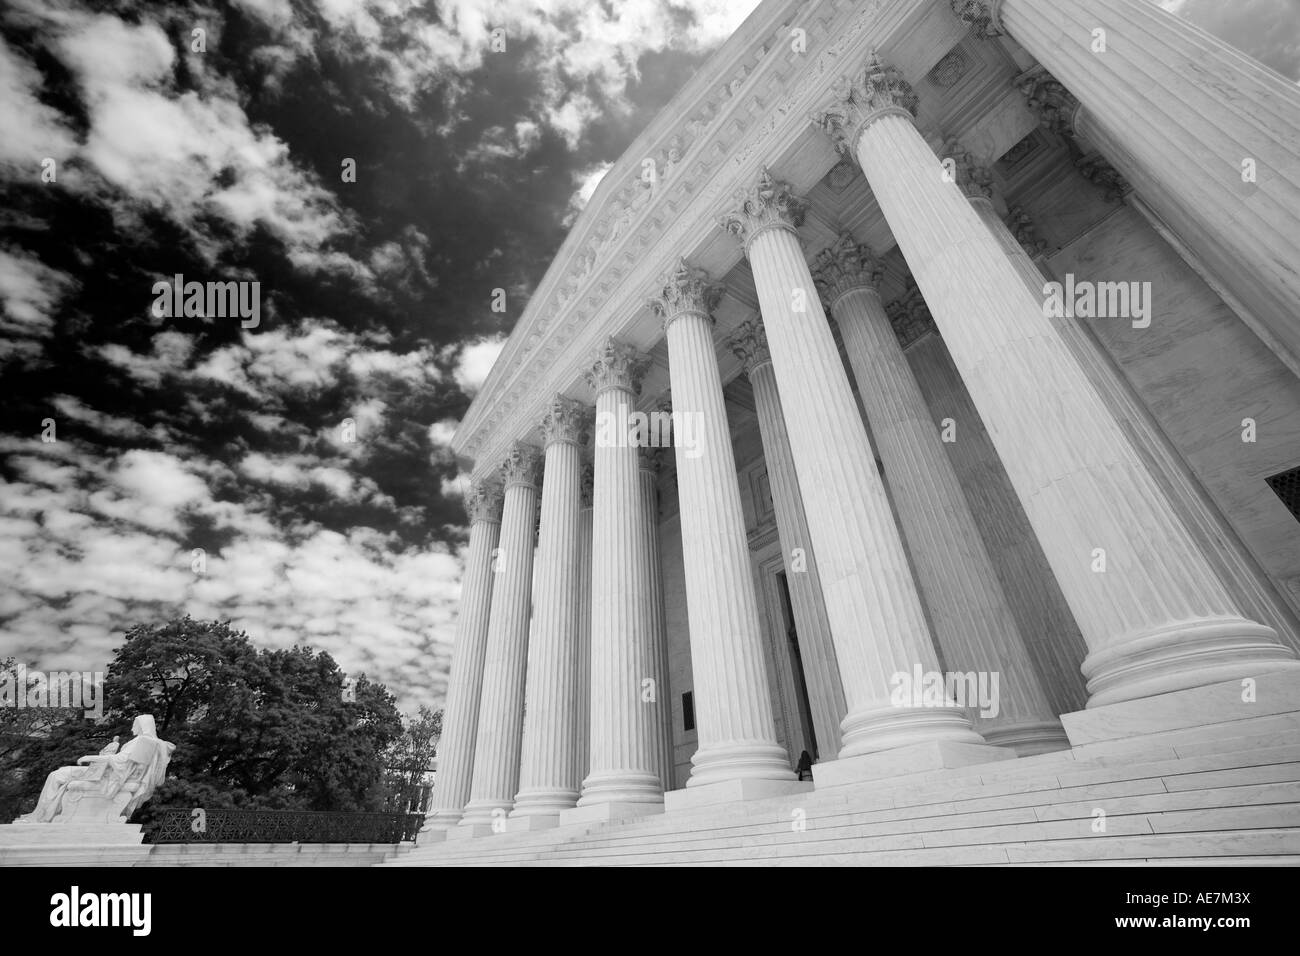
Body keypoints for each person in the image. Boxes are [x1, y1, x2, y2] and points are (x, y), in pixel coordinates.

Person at [15, 714, 175, 823]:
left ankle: (43, 816)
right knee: (58, 774)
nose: (132, 728)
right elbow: (123, 762)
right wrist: (105, 755)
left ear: (141, 725)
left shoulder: (144, 742)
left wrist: (90, 757)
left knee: (58, 776)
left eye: (135, 724)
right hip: (107, 772)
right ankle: (43, 814)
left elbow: (123, 762)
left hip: (109, 776)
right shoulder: (144, 741)